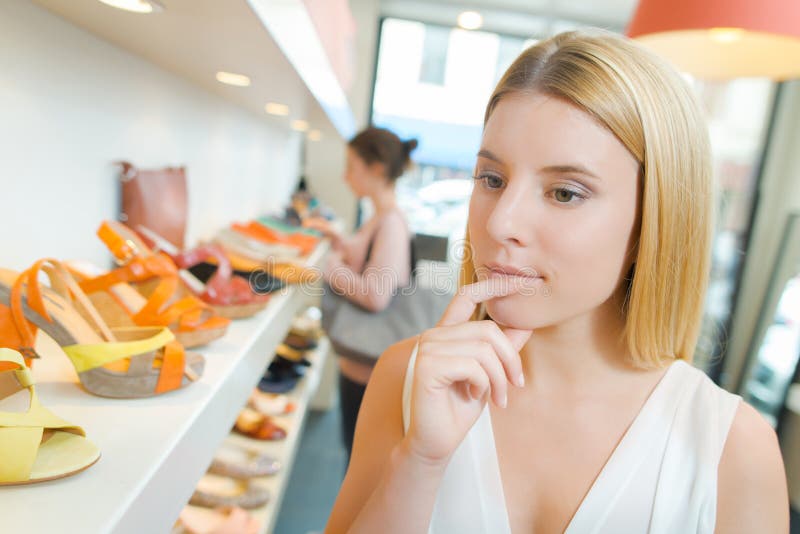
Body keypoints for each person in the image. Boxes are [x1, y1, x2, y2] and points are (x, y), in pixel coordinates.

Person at [326, 29, 789, 533]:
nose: (501, 222)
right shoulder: (408, 378)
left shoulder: (734, 450)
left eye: (565, 193)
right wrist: (418, 462)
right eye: (492, 179)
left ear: (653, 221)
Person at [313, 126, 417, 464]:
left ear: (376, 169)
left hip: (369, 372)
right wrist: (341, 244)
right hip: (362, 365)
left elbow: (376, 295)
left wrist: (330, 267)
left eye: (351, 167)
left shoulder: (391, 223)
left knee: (359, 462)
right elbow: (370, 262)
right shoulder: (381, 218)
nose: (345, 176)